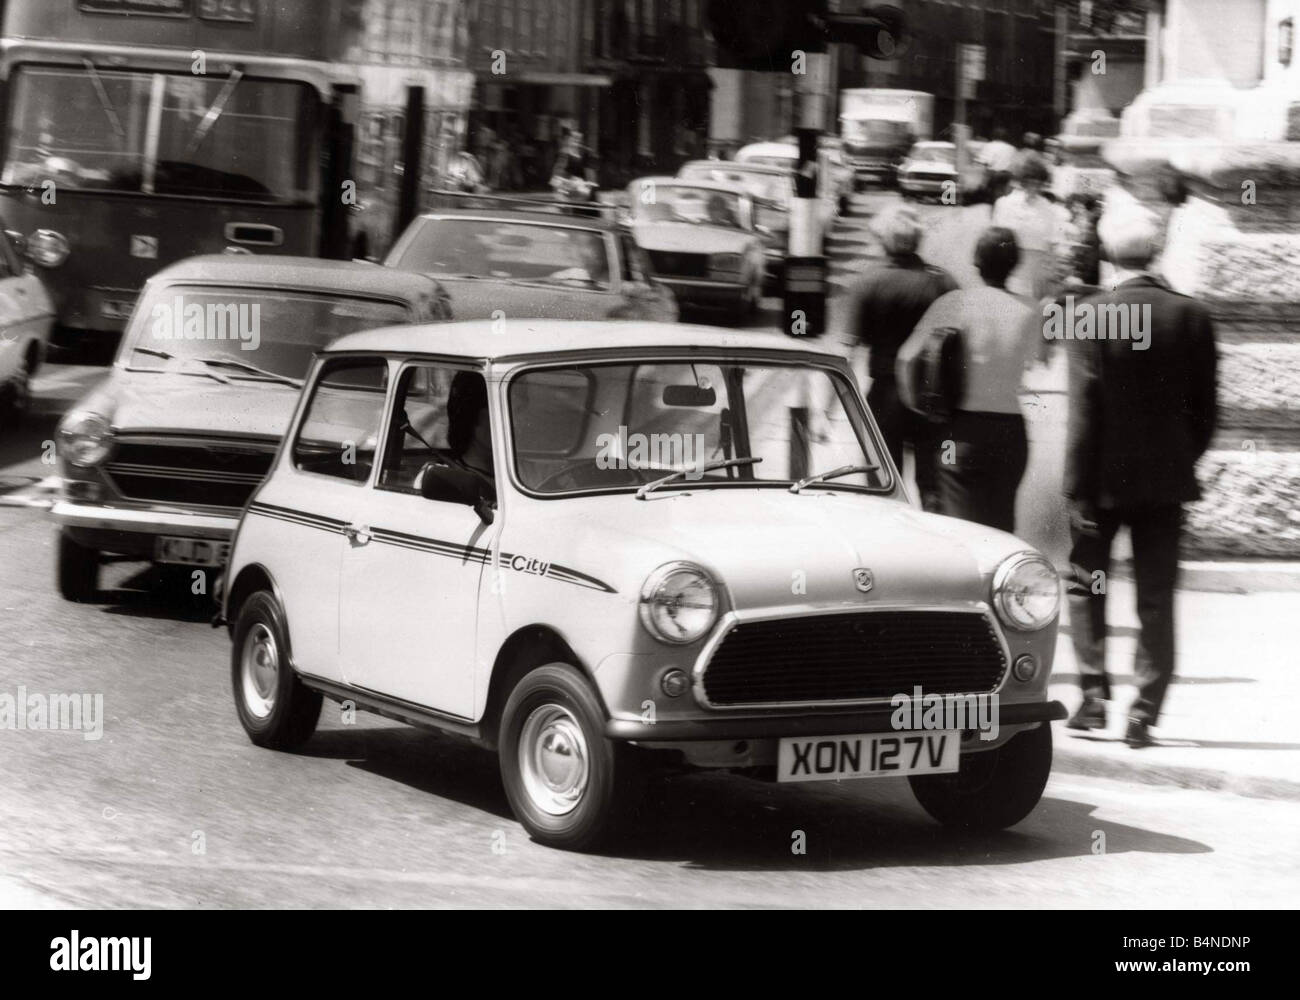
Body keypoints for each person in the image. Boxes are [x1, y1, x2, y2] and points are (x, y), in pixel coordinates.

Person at [1063, 206, 1218, 748]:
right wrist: (1180, 459)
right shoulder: (1192, 316)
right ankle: (1144, 713)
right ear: (1155, 254)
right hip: (1165, 481)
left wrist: (1074, 484)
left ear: (1107, 255)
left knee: (1087, 585)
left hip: (1102, 479)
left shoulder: (1092, 314)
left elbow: (1083, 410)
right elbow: (1206, 411)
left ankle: (1092, 696)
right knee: (1155, 594)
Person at [898, 227, 1038, 532]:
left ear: (976, 263)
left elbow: (907, 359)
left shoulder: (955, 302)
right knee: (1001, 531)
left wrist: (918, 407)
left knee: (959, 531)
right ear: (1015, 264)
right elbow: (1038, 358)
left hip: (958, 434)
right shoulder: (1033, 310)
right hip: (1011, 435)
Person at [843, 204, 958, 512]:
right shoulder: (943, 283)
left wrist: (829, 408)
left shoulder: (868, 282)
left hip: (885, 395)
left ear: (882, 240)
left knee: (882, 485)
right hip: (931, 399)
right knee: (933, 486)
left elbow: (848, 351)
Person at [991, 150, 1067, 299]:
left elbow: (1053, 245)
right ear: (1021, 180)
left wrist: (1053, 273)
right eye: (1030, 181)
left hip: (1038, 274)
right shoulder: (1004, 204)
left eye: (1039, 183)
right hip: (1009, 271)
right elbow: (995, 242)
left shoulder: (1048, 208)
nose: (1035, 186)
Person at [979, 127, 1017, 202]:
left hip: (994, 175)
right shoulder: (1012, 148)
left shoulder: (989, 145)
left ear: (993, 136)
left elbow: (984, 162)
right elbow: (1014, 165)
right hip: (1007, 176)